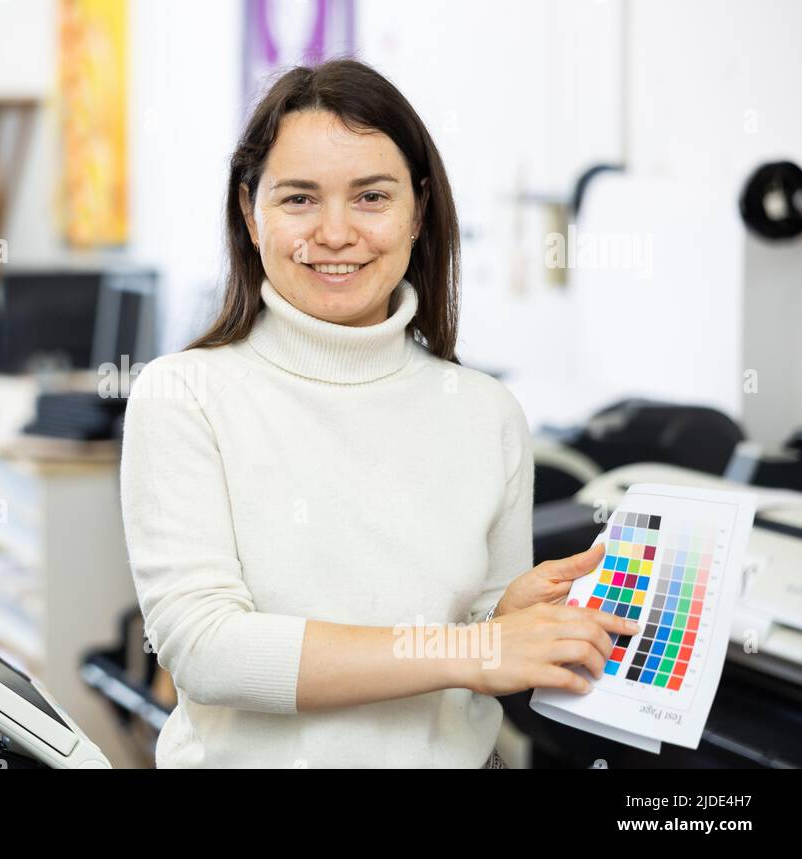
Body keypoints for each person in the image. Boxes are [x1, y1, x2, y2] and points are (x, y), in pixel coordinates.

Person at [119, 59, 631, 768]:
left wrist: (504, 619)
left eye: (371, 197)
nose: (335, 232)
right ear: (250, 210)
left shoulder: (487, 413)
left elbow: (473, 655)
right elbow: (209, 649)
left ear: (417, 211)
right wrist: (476, 646)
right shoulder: (185, 395)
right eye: (299, 198)